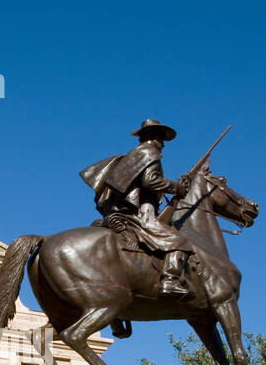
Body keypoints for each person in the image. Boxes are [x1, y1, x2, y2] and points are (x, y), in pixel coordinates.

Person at [80, 119, 193, 299]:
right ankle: (169, 280)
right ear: (153, 137)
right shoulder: (150, 152)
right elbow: (150, 180)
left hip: (118, 211)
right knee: (179, 241)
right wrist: (175, 187)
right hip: (139, 214)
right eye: (161, 139)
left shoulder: (134, 155)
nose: (163, 144)